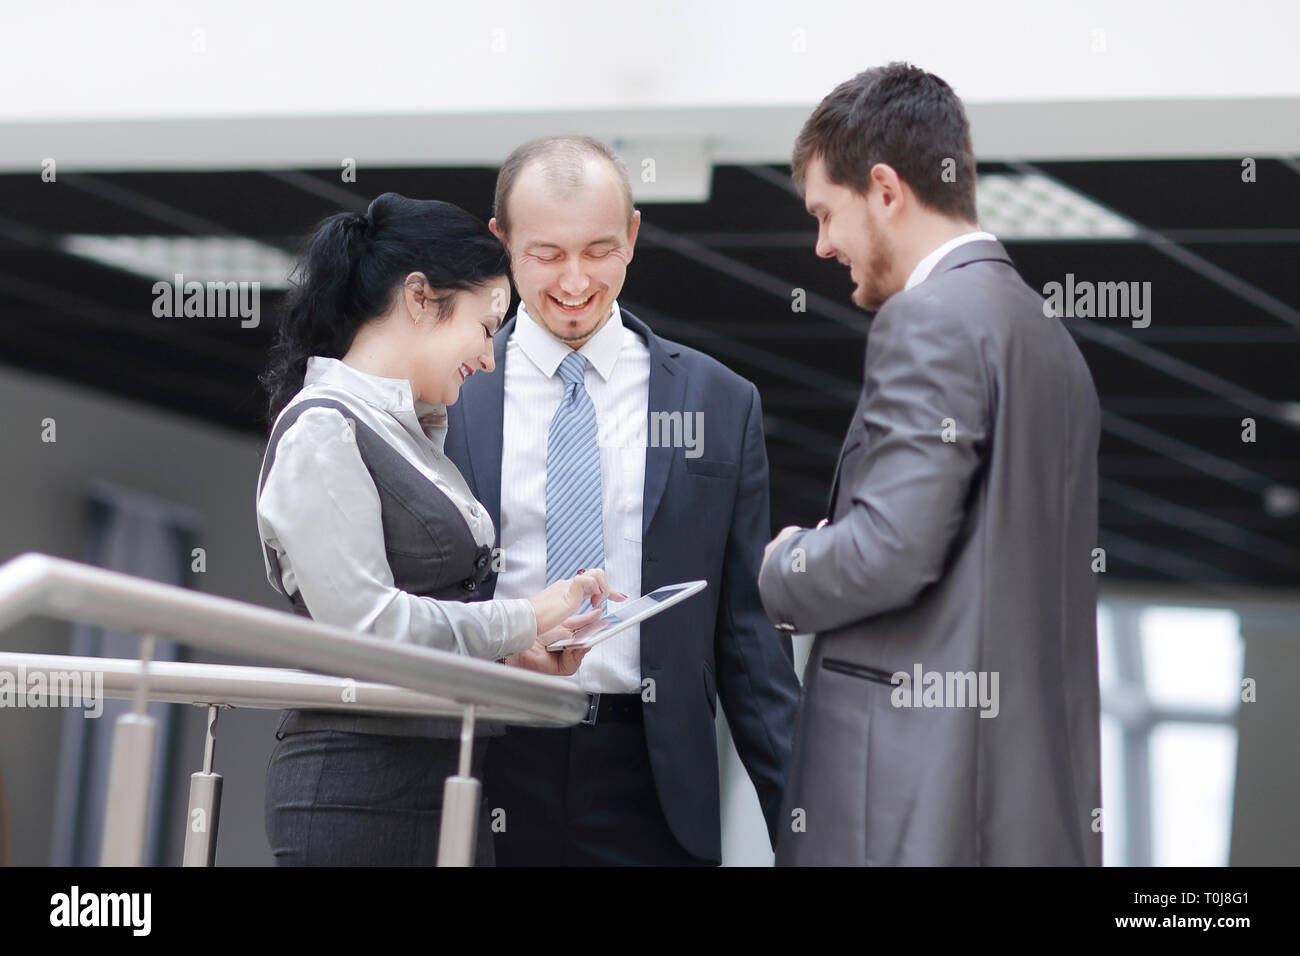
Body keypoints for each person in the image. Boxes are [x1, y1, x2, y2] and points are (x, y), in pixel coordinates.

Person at [757, 63, 1103, 866]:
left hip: (910, 804)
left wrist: (785, 565)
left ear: (884, 188)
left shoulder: (930, 320)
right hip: (1019, 812)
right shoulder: (1051, 343)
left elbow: (889, 550)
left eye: (825, 214)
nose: (821, 246)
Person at [443, 136, 802, 866]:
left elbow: (749, 647)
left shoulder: (718, 402)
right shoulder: (449, 393)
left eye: (599, 250)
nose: (575, 280)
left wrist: (807, 835)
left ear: (633, 237)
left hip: (654, 779)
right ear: (502, 244)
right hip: (483, 761)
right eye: (546, 254)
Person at [255, 192, 619, 866]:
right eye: (486, 326)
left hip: (436, 774)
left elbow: (426, 619)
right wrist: (525, 618)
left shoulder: (414, 434)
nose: (489, 356)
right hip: (356, 787)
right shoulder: (323, 429)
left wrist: (517, 656)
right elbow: (365, 630)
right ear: (420, 298)